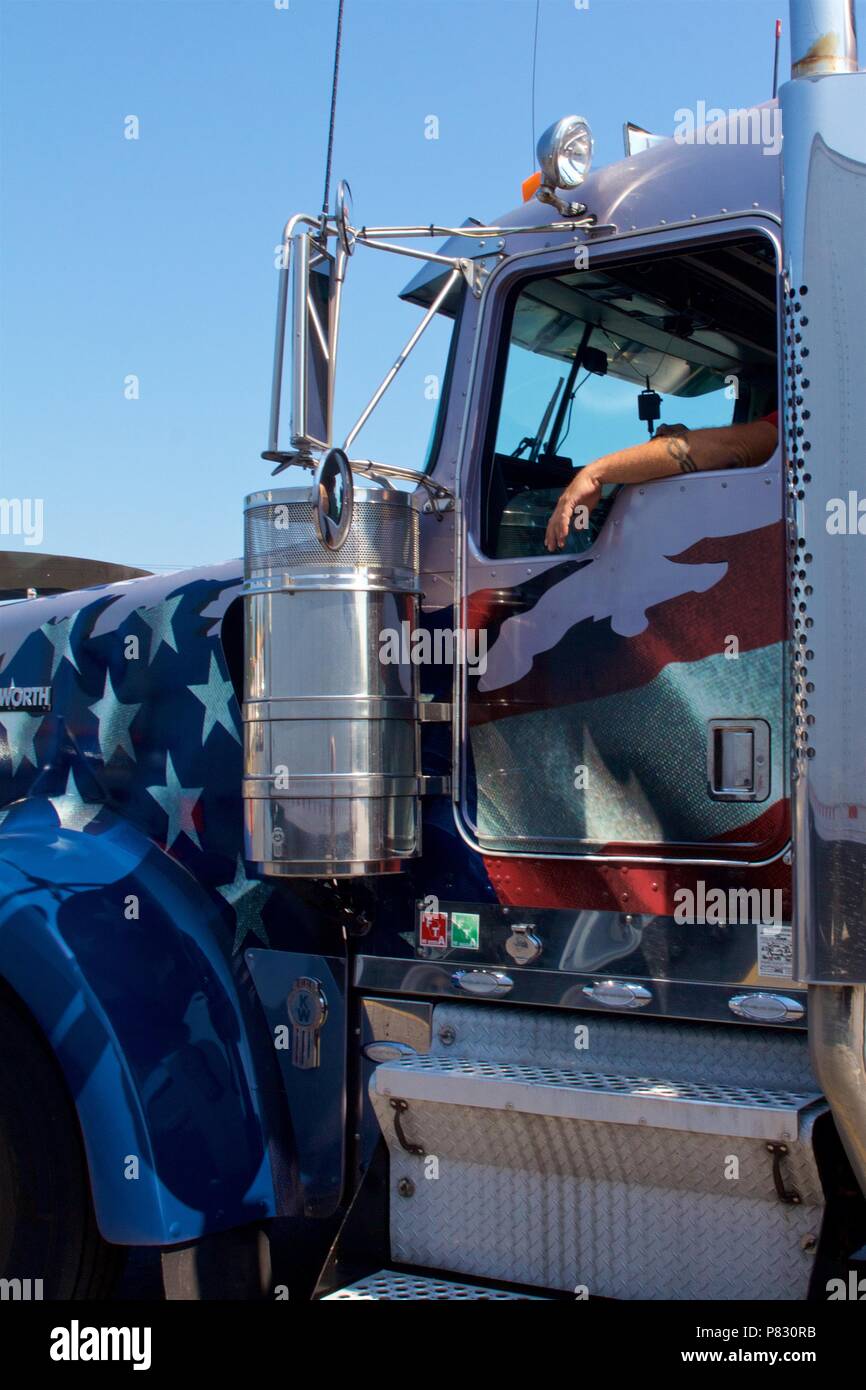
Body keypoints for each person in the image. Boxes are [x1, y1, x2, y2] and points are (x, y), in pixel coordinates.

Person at [544, 410, 779, 552]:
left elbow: (727, 448)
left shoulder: (800, 418)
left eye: (661, 448)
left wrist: (593, 473)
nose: (663, 431)